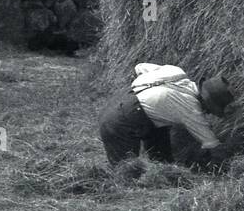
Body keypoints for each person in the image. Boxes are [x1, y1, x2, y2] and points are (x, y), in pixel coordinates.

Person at [98, 63, 234, 166]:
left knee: (162, 160)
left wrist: (149, 95)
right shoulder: (190, 108)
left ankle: (161, 169)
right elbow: (211, 143)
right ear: (206, 101)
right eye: (210, 109)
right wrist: (227, 162)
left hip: (123, 100)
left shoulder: (176, 72)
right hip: (119, 121)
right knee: (127, 171)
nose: (207, 113)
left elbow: (140, 67)